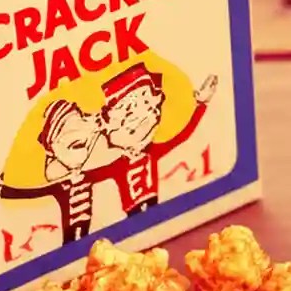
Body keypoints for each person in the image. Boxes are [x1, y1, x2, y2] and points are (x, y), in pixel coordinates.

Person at [0, 99, 112, 245]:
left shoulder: (88, 173)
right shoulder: (60, 184)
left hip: (94, 239)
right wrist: (2, 189)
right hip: (71, 243)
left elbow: (108, 169)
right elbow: (33, 192)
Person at [93, 63, 217, 217]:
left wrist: (201, 105)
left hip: (153, 206)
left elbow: (182, 136)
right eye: (130, 114)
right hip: (132, 216)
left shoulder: (152, 153)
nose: (142, 120)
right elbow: (93, 176)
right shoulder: (117, 165)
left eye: (149, 107)